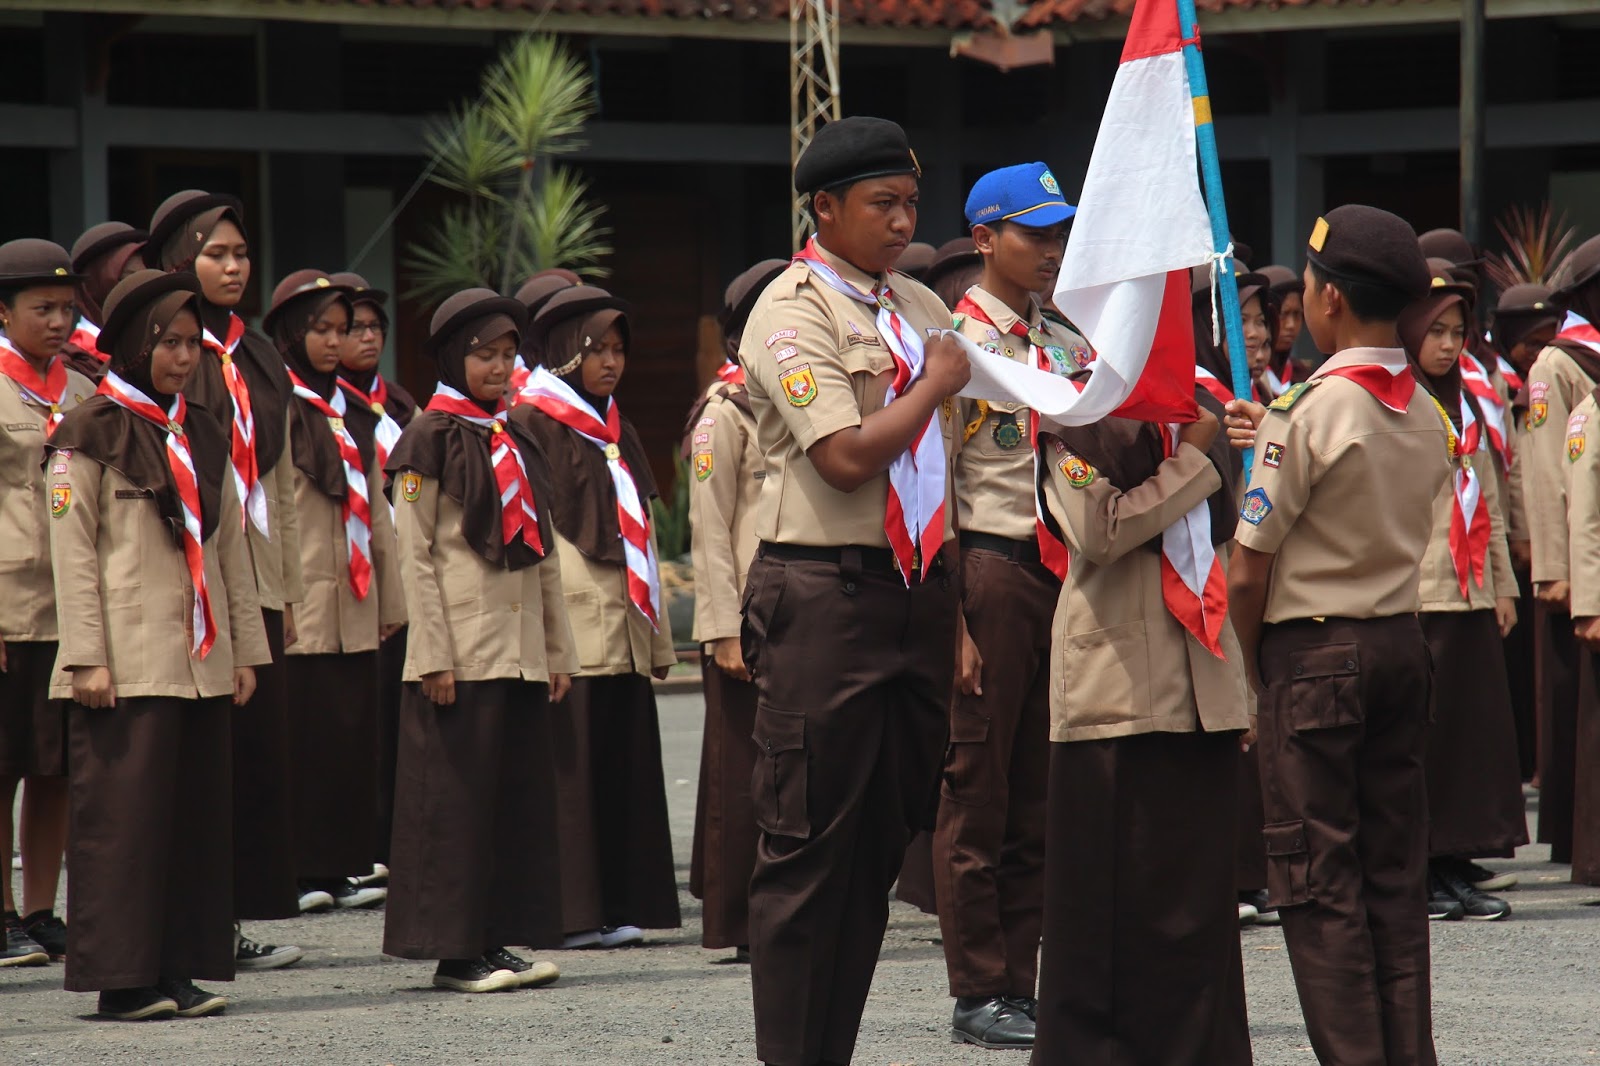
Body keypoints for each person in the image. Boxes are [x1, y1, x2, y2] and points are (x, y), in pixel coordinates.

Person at [735, 115, 970, 1066]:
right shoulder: (791, 312)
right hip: (824, 595)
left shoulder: (916, 303)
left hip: (915, 591)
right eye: (883, 203)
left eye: (912, 201)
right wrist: (934, 384)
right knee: (806, 851)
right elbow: (841, 457)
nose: (903, 220)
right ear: (824, 207)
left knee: (879, 844)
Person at [1227, 206, 1451, 1065]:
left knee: (1319, 887)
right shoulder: (1426, 412)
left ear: (1325, 301)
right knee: (1394, 879)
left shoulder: (1306, 410)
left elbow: (1250, 569)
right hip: (1399, 642)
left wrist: (1246, 675)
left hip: (1313, 658)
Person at [48, 268, 270, 1020]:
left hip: (200, 660)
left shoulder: (202, 432)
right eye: (169, 344)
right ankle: (123, 979)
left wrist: (243, 651)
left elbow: (231, 546)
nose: (183, 358)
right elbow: (72, 555)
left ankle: (178, 965)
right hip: (127, 662)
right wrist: (87, 657)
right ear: (137, 345)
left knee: (192, 822)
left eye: (192, 345)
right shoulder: (90, 431)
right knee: (125, 828)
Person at [1032, 384, 1251, 1066]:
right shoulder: (1072, 409)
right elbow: (1103, 530)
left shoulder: (1200, 405)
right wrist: (1195, 457)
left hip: (1202, 673)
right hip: (1117, 685)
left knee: (1197, 908)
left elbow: (1234, 533)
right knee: (1109, 908)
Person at [382, 287, 575, 992]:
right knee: (454, 804)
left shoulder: (516, 434)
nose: (498, 368)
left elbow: (542, 551)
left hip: (517, 652)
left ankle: (495, 939)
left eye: (507, 355)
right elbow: (415, 557)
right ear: (451, 359)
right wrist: (431, 654)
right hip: (460, 652)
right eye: (483, 356)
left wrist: (557, 652)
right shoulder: (425, 438)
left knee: (508, 800)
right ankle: (454, 952)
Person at [934, 162, 1080, 1051]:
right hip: (991, 570)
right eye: (1033, 233)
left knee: (1039, 793)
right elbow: (934, 486)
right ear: (985, 239)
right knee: (977, 791)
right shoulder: (956, 344)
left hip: (1065, 571)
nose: (1051, 249)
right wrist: (953, 617)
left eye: (1058, 232)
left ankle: (1021, 984)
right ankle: (977, 989)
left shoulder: (1061, 335)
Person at [148, 190, 308, 962]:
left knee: (252, 757)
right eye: (217, 253)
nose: (234, 266)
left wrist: (287, 584)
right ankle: (204, 925)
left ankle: (234, 915)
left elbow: (271, 475)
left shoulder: (256, 349)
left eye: (242, 254)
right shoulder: (169, 350)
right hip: (194, 578)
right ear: (183, 258)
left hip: (259, 571)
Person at [513, 285, 682, 950]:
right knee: (571, 772)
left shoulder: (616, 427)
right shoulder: (533, 423)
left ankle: (619, 903)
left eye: (619, 350)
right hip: (575, 627)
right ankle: (569, 912)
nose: (611, 363)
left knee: (622, 767)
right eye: (596, 350)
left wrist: (659, 633)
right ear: (561, 355)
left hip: (625, 627)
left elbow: (644, 534)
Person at [265, 269, 406, 911]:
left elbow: (376, 508)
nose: (332, 342)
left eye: (341, 330)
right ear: (291, 334)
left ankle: (341, 863)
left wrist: (391, 600)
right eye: (320, 329)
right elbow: (267, 510)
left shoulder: (352, 409)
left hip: (354, 598)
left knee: (351, 736)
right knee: (303, 739)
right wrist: (281, 598)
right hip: (304, 598)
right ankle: (295, 866)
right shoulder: (274, 407)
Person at [1396, 269, 1524, 919]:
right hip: (1423, 591)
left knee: (1468, 738)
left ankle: (1450, 856)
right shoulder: (1398, 401)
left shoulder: (1461, 400)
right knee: (1429, 739)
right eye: (1436, 332)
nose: (1448, 345)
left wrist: (1502, 585)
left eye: (1458, 333)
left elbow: (1490, 501)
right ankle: (1420, 865)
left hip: (1469, 590)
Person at [685, 257, 787, 964]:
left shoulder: (795, 402)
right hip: (745, 621)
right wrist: (722, 628)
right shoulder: (723, 413)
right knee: (740, 777)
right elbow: (708, 527)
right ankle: (744, 920)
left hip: (796, 611)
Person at [0, 239, 95, 967]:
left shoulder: (85, 393)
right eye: (42, 309)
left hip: (69, 604)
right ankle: (2, 911)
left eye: (66, 308)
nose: (58, 322)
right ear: (5, 312)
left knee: (55, 765)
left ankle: (42, 909)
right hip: (9, 601)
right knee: (3, 766)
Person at [330, 270, 416, 889]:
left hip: (404, 572)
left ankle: (391, 837)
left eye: (373, 328)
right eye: (353, 327)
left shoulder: (401, 403)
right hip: (352, 577)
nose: (366, 338)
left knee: (396, 716)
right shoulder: (324, 406)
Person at [1524, 235, 1600, 866]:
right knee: (1578, 706)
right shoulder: (1557, 364)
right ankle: (1580, 838)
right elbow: (1548, 471)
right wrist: (1554, 568)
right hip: (1579, 559)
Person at [1493, 284, 1562, 784]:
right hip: (1513, 537)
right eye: (1528, 343)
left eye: (1545, 341)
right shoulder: (1489, 381)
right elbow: (1515, 469)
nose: (1536, 353)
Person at [60, 223, 146, 380]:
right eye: (129, 279)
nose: (145, 291)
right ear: (95, 286)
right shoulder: (73, 363)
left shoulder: (159, 350)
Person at [1259, 263, 1306, 385]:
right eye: (1283, 314)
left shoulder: (1304, 376)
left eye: (1297, 314)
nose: (1291, 325)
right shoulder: (1249, 380)